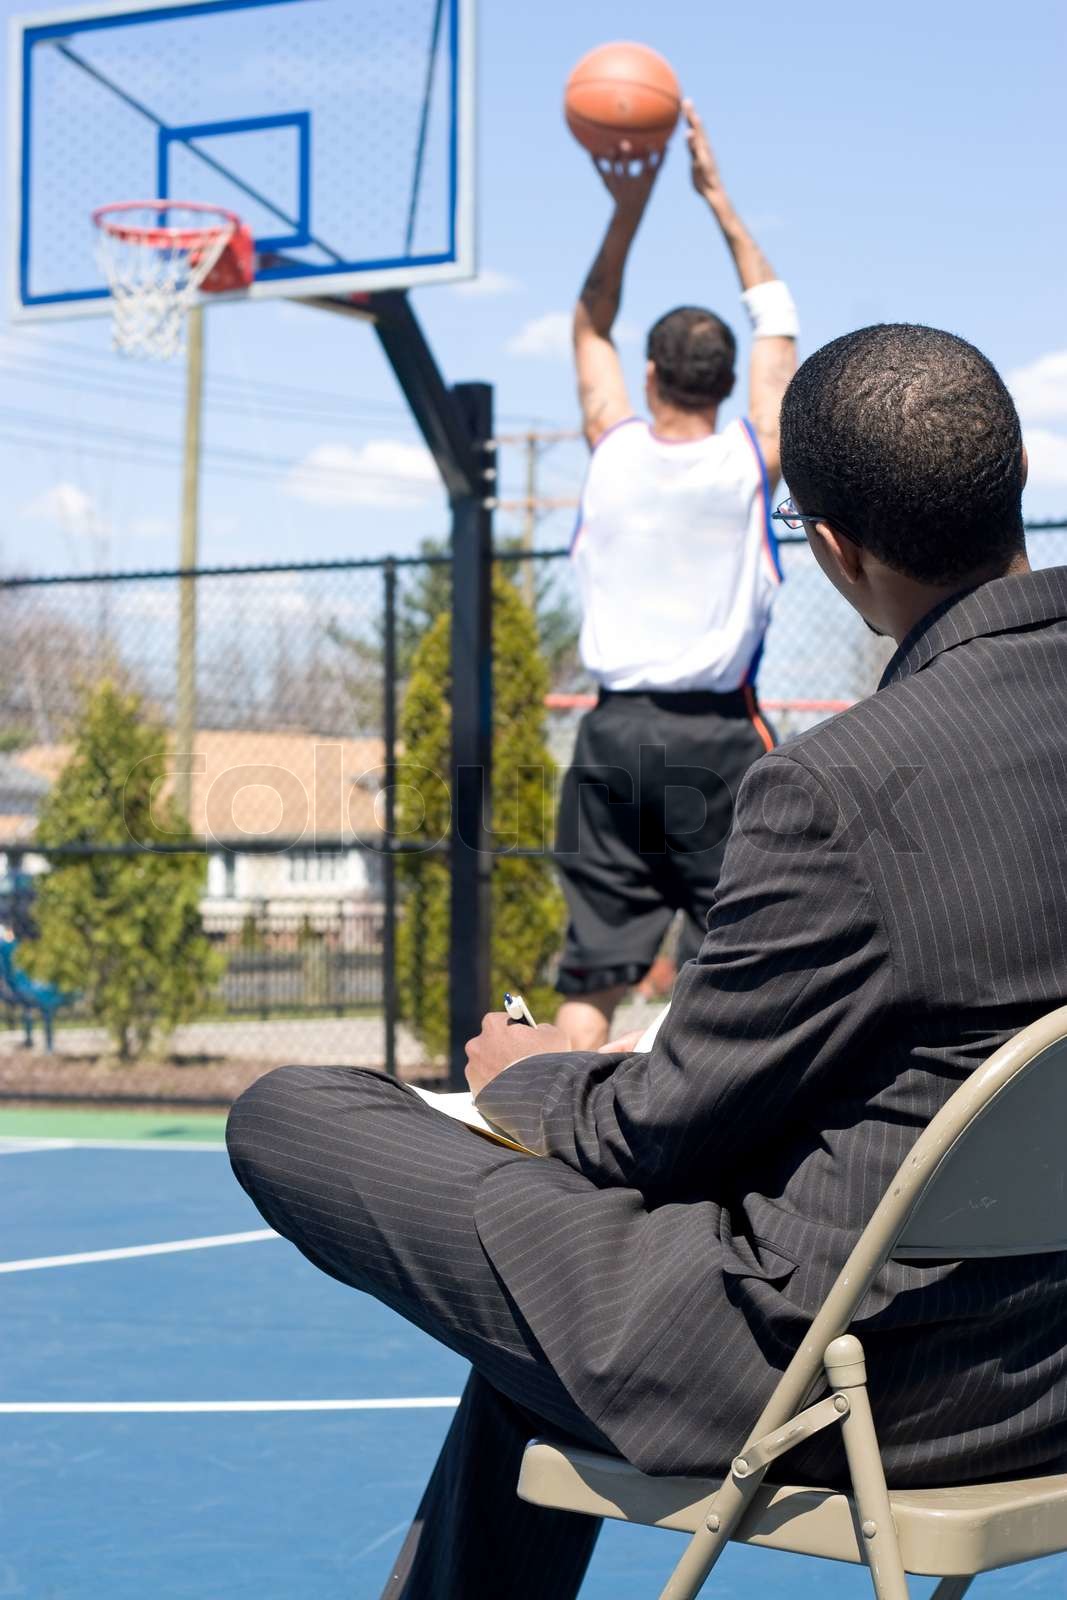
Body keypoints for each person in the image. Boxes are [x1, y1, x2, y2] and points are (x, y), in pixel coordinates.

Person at [227, 324, 1067, 1599]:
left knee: (291, 1110)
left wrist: (524, 1078)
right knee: (536, 1324)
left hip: (843, 1382)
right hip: (1049, 1366)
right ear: (1009, 482)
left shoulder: (837, 788)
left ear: (833, 548)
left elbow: (656, 1139)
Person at [555, 101, 798, 1049]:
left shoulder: (608, 447)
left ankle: (551, 1147)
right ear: (726, 380)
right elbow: (776, 315)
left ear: (651, 376)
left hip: (610, 734)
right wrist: (717, 201)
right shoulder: (755, 452)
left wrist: (630, 201)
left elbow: (588, 321)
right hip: (712, 741)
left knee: (593, 971)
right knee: (730, 964)